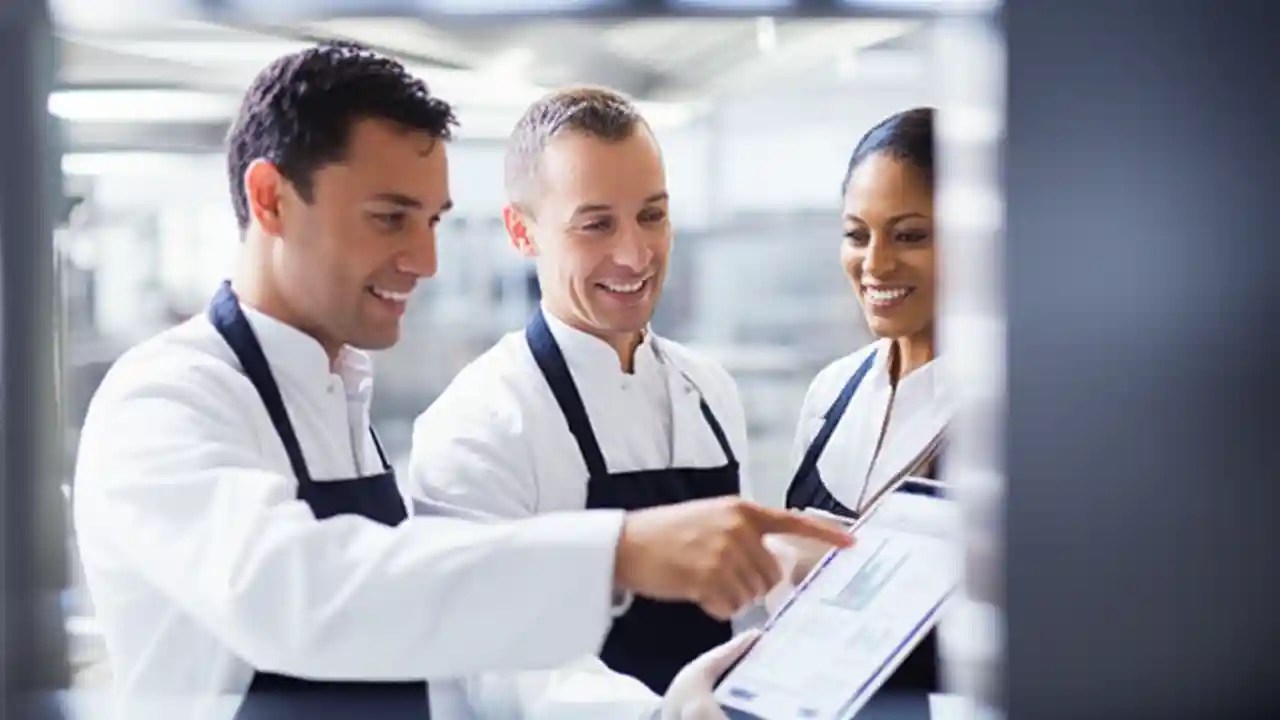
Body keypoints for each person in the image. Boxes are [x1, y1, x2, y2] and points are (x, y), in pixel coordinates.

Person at [71, 44, 850, 720]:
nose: (425, 261)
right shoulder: (166, 397)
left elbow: (424, 636)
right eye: (389, 218)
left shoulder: (339, 392)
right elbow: (294, 594)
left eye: (433, 221)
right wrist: (623, 551)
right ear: (272, 199)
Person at [408, 87, 755, 695]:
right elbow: (496, 659)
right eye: (596, 225)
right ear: (521, 231)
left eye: (653, 214)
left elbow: (741, 608)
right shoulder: (477, 422)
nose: (635, 253)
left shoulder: (710, 391)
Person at [782, 107, 948, 694]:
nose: (875, 263)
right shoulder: (832, 392)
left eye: (910, 236)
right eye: (857, 234)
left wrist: (823, 568)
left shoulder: (1025, 414)